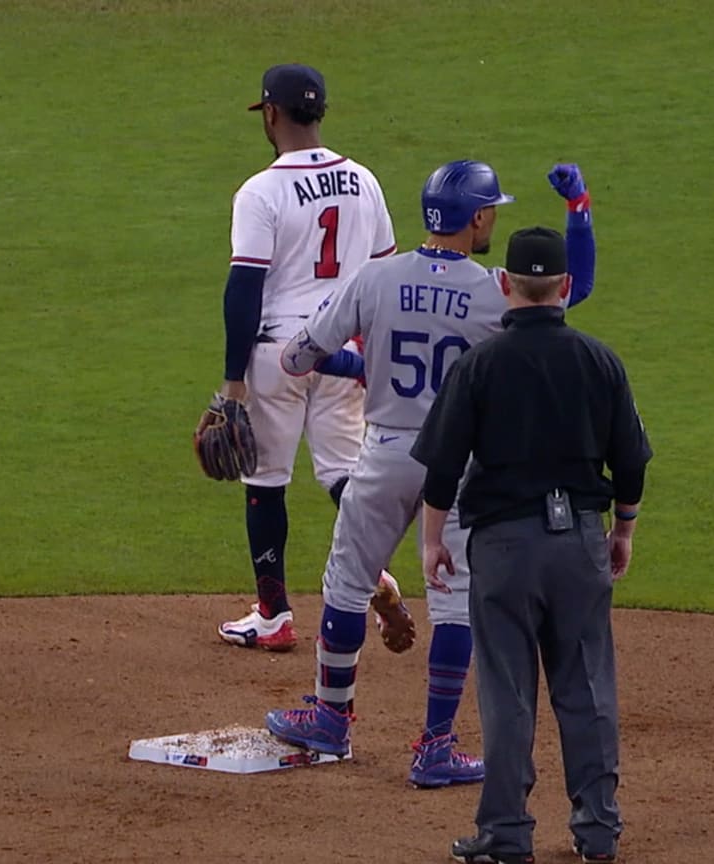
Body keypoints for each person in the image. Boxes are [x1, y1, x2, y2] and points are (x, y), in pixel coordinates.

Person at [261, 161, 598, 788]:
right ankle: (435, 747)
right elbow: (571, 290)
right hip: (463, 466)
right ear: (475, 219)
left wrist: (363, 367)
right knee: (452, 599)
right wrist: (578, 207)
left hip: (385, 451)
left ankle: (331, 722)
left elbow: (297, 355)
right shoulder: (496, 289)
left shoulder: (377, 277)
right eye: (490, 209)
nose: (493, 217)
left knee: (347, 582)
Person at [411, 226, 651, 864]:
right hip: (577, 542)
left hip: (504, 550)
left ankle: (507, 835)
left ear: (505, 284)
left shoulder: (481, 364)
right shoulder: (600, 361)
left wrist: (433, 540)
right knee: (587, 686)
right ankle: (597, 832)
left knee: (508, 690)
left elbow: (442, 466)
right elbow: (631, 460)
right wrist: (622, 528)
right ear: (566, 287)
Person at [206, 63, 397, 652]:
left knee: (265, 481)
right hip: (347, 353)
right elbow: (386, 268)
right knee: (344, 475)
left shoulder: (260, 191)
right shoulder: (364, 180)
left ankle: (273, 615)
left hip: (280, 356)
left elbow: (244, 290)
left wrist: (233, 382)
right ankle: (375, 578)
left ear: (270, 114)